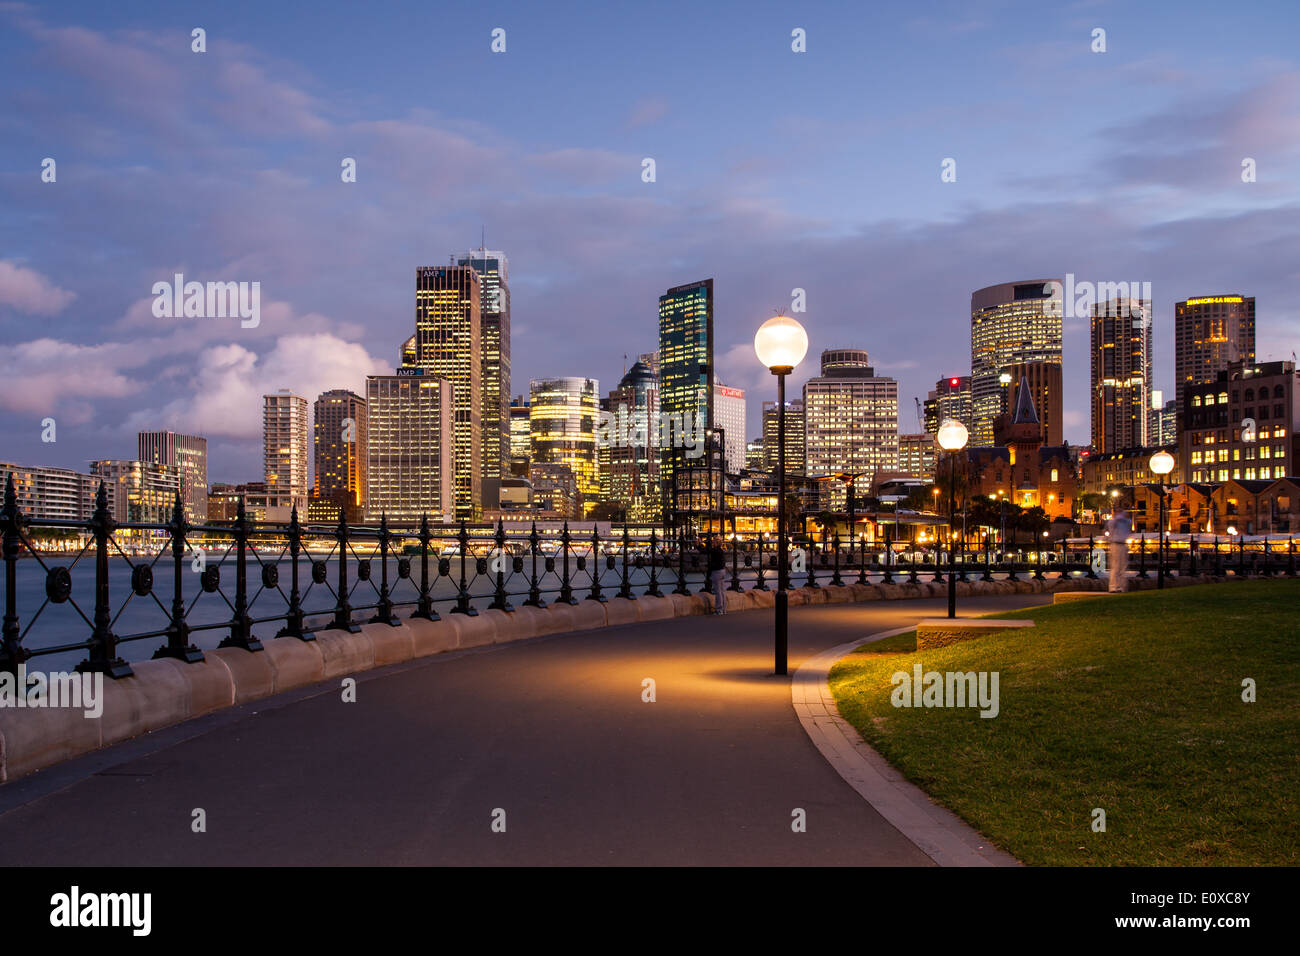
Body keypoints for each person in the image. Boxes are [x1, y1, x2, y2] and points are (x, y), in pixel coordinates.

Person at [1106, 508, 1132, 593]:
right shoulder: (1114, 522)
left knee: (1122, 567)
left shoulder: (1125, 522)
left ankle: (1121, 587)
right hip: (1116, 544)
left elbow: (1129, 524)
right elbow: (1112, 524)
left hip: (1122, 544)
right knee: (1116, 567)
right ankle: (1113, 587)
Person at [706, 535, 728, 614]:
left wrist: (698, 545)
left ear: (716, 543)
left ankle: (719, 610)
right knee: (722, 591)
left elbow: (706, 551)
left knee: (718, 591)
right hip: (722, 571)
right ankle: (724, 609)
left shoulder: (715, 550)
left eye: (713, 541)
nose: (712, 542)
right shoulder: (720, 550)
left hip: (717, 572)